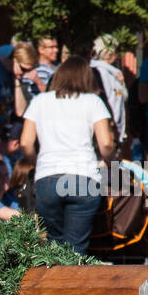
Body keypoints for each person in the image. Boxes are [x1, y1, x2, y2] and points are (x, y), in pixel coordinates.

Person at [20, 57, 115, 252]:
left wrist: (35, 162)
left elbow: (25, 142)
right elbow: (106, 143)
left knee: (54, 244)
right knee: (76, 247)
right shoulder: (93, 101)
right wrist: (110, 164)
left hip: (47, 177)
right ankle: (76, 280)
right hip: (83, 176)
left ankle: (56, 281)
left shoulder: (39, 101)